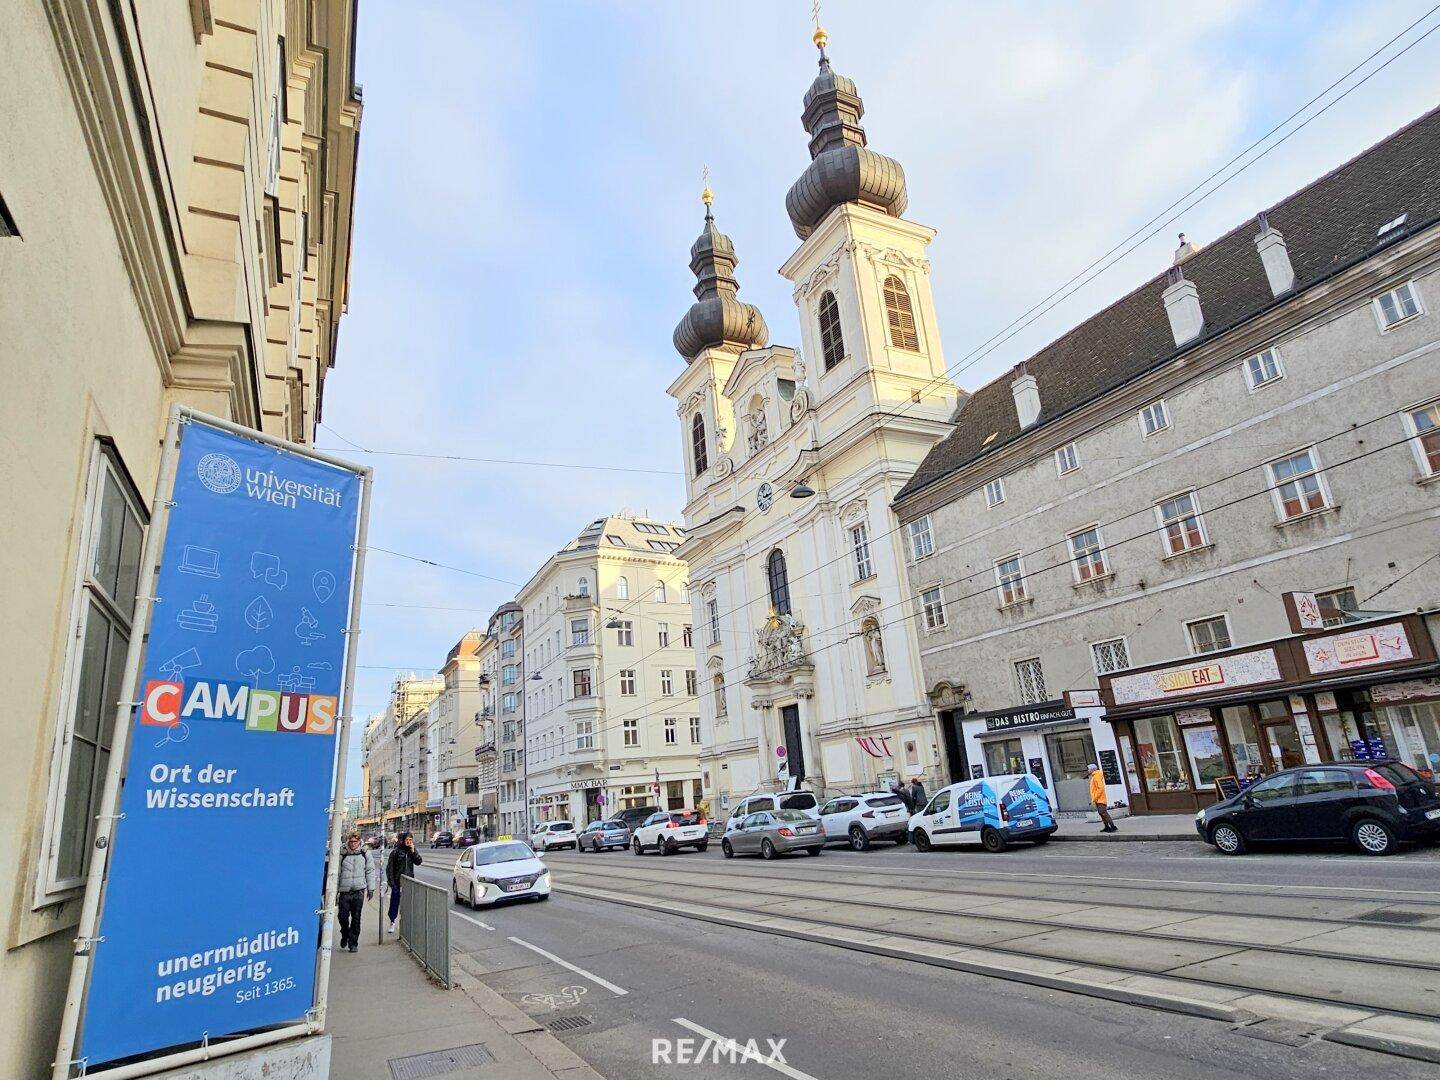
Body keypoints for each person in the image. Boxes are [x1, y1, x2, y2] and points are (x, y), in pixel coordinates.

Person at [335, 832, 376, 952]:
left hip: (359, 891)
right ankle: (345, 933)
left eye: (355, 841)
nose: (353, 844)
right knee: (342, 916)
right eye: (351, 841)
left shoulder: (364, 852)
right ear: (348, 841)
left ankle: (353, 943)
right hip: (344, 891)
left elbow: (370, 870)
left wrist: (371, 888)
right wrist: (334, 892)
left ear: (359, 841)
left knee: (356, 917)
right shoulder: (342, 852)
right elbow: (336, 872)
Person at [385, 832, 423, 933]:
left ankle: (407, 925)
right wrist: (392, 883)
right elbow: (389, 869)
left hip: (409, 883)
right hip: (397, 883)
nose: (409, 842)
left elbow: (419, 862)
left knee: (408, 904)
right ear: (403, 840)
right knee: (394, 904)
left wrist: (413, 851)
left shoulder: (412, 851)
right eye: (407, 840)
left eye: (410, 840)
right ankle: (392, 922)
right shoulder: (396, 852)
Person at [1089, 764, 1117, 832]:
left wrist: (1095, 797)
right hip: (1098, 799)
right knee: (1101, 813)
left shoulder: (1097, 776)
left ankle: (1113, 827)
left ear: (1093, 769)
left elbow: (1100, 788)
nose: (1088, 770)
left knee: (1104, 813)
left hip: (1100, 799)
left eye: (1089, 769)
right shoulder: (1094, 776)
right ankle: (1106, 826)